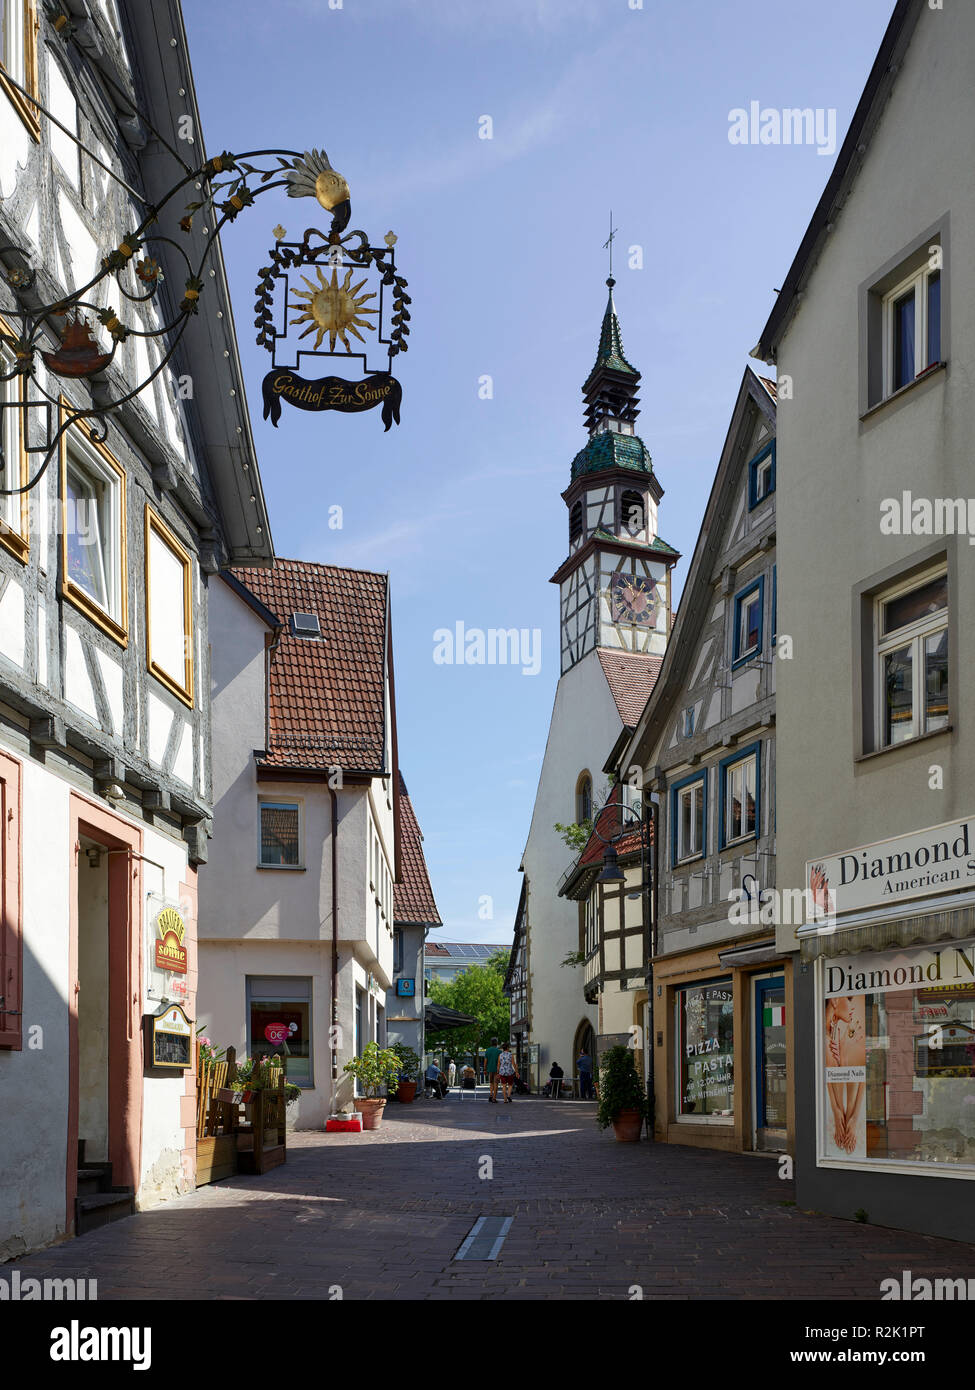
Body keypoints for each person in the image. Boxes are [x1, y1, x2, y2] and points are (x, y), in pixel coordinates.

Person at [485, 1036, 502, 1103]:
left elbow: (485, 1061)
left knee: (491, 1083)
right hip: (497, 1070)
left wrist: (485, 1069)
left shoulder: (487, 1050)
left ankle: (491, 1095)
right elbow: (500, 1062)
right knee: (496, 1083)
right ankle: (494, 1098)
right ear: (497, 1043)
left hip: (489, 1069)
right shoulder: (499, 1051)